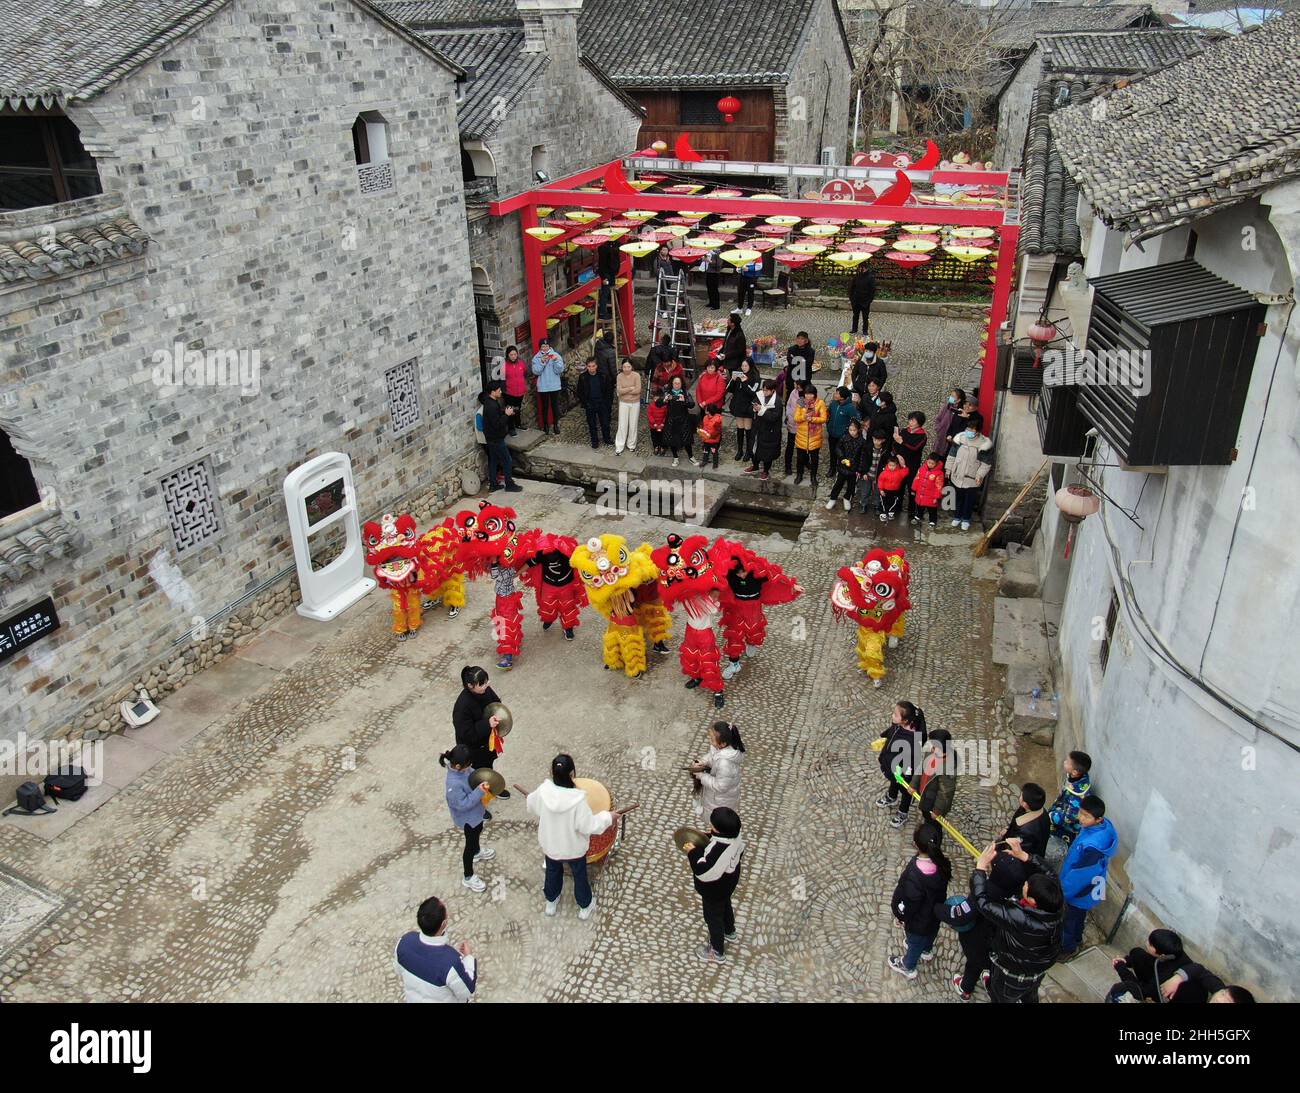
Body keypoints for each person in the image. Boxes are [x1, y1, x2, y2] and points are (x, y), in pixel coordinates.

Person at [516, 754, 615, 920]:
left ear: (552, 772)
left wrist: (531, 799)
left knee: (553, 871)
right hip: (573, 848)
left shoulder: (543, 791)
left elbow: (533, 804)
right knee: (579, 875)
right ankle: (584, 905)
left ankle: (551, 901)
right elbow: (589, 826)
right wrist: (608, 817)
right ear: (572, 774)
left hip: (551, 845)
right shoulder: (578, 801)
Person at [971, 846, 1064, 1003]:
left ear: (1033, 901)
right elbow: (1051, 874)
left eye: (1027, 886)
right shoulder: (1056, 903)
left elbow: (983, 904)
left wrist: (980, 869)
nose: (1025, 884)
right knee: (1030, 994)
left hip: (1013, 974)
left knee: (1002, 996)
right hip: (1038, 968)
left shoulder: (1021, 918)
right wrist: (1025, 856)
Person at [889, 820, 952, 979]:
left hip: (918, 922)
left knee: (914, 943)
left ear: (916, 845)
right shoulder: (942, 864)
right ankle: (927, 950)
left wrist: (901, 916)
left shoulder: (915, 877)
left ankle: (908, 966)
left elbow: (909, 903)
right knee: (930, 934)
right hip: (934, 915)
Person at [1058, 794, 1119, 955]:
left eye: (1086, 816)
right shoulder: (1104, 828)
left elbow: (1081, 876)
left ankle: (1067, 949)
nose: (1081, 818)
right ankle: (1077, 939)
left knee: (1069, 920)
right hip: (1090, 888)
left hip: (1080, 890)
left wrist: (1063, 893)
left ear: (1098, 819)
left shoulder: (1093, 846)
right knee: (1078, 917)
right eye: (1081, 812)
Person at [685, 806, 746, 964]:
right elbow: (719, 841)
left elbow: (704, 871)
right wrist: (707, 836)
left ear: (720, 831)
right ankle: (729, 930)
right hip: (727, 884)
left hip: (714, 890)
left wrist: (693, 852)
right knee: (725, 906)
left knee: (713, 917)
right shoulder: (736, 837)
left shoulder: (720, 849)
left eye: (713, 827)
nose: (710, 828)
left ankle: (717, 951)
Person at [394, 896, 477, 1003]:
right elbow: (466, 990)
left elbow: (398, 970)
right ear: (444, 924)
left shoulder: (403, 942)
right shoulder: (451, 961)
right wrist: (468, 957)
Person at [440, 744, 494, 893]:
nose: (470, 767)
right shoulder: (453, 785)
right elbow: (462, 805)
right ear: (457, 766)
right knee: (469, 845)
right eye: (468, 765)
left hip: (476, 813)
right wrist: (479, 792)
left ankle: (477, 851)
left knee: (479, 829)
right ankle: (468, 876)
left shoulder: (463, 768)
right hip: (468, 818)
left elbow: (472, 773)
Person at [452, 665, 509, 798]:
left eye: (486, 682)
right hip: (473, 749)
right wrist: (486, 724)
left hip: (487, 741)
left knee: (488, 767)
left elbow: (496, 703)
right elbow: (466, 733)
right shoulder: (462, 707)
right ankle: (477, 802)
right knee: (476, 775)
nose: (486, 686)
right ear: (470, 685)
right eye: (481, 684)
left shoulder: (485, 689)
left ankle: (491, 787)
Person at [1107, 929, 1198, 1003]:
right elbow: (1146, 959)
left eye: (1150, 944)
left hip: (1175, 997)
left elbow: (1142, 992)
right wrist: (1126, 961)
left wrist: (1120, 968)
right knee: (1137, 954)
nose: (1146, 942)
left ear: (1160, 954)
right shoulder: (1174, 952)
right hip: (1179, 986)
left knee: (1121, 989)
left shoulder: (1164, 976)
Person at [876, 701, 927, 822]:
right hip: (894, 766)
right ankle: (891, 796)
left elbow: (913, 760)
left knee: (906, 792)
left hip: (904, 771)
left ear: (905, 721)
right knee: (894, 781)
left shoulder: (912, 740)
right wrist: (884, 736)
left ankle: (903, 812)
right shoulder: (898, 725)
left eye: (895, 714)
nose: (892, 716)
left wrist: (907, 776)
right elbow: (892, 732)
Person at [945, 411, 992, 531]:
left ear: (978, 431)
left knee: (969, 500)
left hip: (972, 477)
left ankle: (966, 519)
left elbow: (985, 463)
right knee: (958, 497)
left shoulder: (984, 444)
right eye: (968, 428)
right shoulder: (959, 439)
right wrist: (948, 469)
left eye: (972, 429)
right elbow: (952, 455)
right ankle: (957, 516)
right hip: (957, 474)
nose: (969, 431)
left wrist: (979, 475)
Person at [689, 720, 745, 819]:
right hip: (716, 798)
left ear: (723, 743)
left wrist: (702, 776)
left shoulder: (725, 764)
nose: (710, 742)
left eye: (712, 739)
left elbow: (720, 786)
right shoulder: (723, 749)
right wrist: (703, 762)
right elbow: (713, 756)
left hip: (720, 802)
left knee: (717, 823)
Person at [479, 382, 522, 493]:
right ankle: (509, 484)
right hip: (496, 438)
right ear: (493, 392)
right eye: (499, 390)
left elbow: (496, 416)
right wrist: (506, 415)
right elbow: (497, 424)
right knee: (507, 460)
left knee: (493, 460)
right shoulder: (491, 405)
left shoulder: (489, 402)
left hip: (490, 438)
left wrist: (505, 412)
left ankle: (493, 484)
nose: (501, 392)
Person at [913, 728, 956, 826]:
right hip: (925, 795)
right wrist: (913, 784)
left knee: (934, 824)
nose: (931, 748)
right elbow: (921, 767)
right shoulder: (931, 753)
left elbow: (945, 792)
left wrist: (937, 810)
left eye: (933, 746)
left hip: (933, 803)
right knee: (926, 815)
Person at [1049, 751, 1093, 845]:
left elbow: (1068, 818)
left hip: (1068, 826)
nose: (1064, 762)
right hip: (1063, 808)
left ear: (1075, 772)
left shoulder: (1077, 798)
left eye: (1067, 762)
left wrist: (1052, 816)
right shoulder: (1078, 777)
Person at [793, 383, 827, 492]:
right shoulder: (801, 402)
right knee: (800, 458)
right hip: (802, 436)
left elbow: (824, 418)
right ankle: (799, 475)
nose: (808, 396)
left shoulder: (820, 403)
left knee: (815, 459)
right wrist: (804, 417)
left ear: (814, 394)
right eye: (807, 394)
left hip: (814, 436)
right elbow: (796, 418)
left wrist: (813, 419)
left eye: (811, 394)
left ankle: (813, 477)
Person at [726, 357, 762, 462]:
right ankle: (740, 450)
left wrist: (745, 381)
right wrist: (732, 379)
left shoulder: (755, 377)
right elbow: (729, 389)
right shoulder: (738, 375)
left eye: (746, 366)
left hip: (748, 406)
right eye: (742, 366)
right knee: (740, 428)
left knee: (748, 429)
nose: (743, 368)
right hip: (738, 405)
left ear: (750, 366)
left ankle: (748, 451)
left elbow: (753, 393)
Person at [826, 416, 865, 511]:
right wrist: (842, 457)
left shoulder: (862, 442)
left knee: (851, 486)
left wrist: (859, 469)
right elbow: (838, 448)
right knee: (838, 483)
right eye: (850, 430)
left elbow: (862, 456)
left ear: (858, 430)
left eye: (854, 430)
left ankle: (847, 498)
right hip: (842, 466)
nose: (852, 432)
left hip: (854, 468)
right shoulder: (844, 437)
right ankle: (833, 498)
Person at [1002, 782, 1050, 857]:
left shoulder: (1026, 831)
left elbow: (1020, 849)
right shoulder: (1041, 811)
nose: (1020, 795)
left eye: (1021, 795)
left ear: (1025, 804)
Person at [894, 412, 927, 520]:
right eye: (910, 420)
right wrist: (898, 455)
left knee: (912, 488)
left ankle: (912, 510)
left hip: (912, 465)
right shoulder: (904, 431)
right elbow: (895, 446)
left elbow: (915, 448)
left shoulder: (922, 436)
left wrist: (902, 442)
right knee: (899, 486)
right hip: (900, 462)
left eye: (913, 420)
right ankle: (896, 507)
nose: (910, 422)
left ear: (919, 423)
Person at [749, 379, 782, 481]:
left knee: (767, 452)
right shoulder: (760, 396)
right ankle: (755, 465)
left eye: (767, 391)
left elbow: (774, 417)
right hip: (758, 428)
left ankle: (766, 471)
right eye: (763, 390)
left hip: (770, 431)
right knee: (754, 448)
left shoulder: (777, 402)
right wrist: (754, 408)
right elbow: (752, 405)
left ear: (773, 390)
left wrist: (762, 410)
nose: (764, 392)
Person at [530, 338, 565, 435]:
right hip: (543, 386)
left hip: (554, 385)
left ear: (549, 346)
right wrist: (542, 362)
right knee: (545, 407)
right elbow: (536, 371)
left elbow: (560, 370)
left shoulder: (556, 355)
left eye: (546, 346)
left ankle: (555, 425)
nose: (545, 348)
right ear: (540, 347)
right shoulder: (536, 358)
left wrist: (555, 361)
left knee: (555, 406)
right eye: (542, 346)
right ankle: (545, 425)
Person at [575, 358, 611, 449]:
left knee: (605, 422)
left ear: (596, 366)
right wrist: (585, 402)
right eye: (589, 366)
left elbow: (608, 390)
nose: (591, 368)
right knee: (592, 424)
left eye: (593, 366)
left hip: (601, 402)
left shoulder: (603, 376)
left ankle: (607, 438)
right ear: (587, 367)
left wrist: (606, 402)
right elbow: (580, 391)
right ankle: (594, 441)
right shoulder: (583, 377)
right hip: (590, 403)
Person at [857, 427, 892, 516]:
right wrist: (864, 472)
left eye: (879, 440)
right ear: (872, 438)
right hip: (868, 474)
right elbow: (863, 461)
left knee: (877, 491)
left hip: (879, 476)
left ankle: (877, 506)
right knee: (865, 490)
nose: (876, 441)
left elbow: (886, 464)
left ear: (883, 440)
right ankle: (863, 505)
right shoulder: (868, 448)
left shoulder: (885, 451)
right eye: (875, 439)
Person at [826, 385, 862, 469]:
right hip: (831, 433)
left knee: (842, 453)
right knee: (832, 452)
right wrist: (828, 426)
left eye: (837, 393)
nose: (835, 394)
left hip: (842, 436)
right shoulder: (833, 403)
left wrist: (847, 431)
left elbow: (855, 420)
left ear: (842, 397)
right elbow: (828, 415)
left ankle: (841, 469)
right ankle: (832, 468)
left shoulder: (850, 408)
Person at [664, 375, 696, 467]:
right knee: (672, 439)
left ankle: (691, 456)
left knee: (687, 439)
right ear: (672, 384)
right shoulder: (668, 393)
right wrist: (665, 400)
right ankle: (675, 458)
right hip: (671, 419)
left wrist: (684, 401)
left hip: (683, 419)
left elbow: (692, 405)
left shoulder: (685, 393)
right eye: (675, 383)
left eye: (679, 383)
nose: (677, 385)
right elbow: (659, 403)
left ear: (682, 384)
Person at [911, 451, 946, 530]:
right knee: (919, 506)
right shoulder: (921, 468)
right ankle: (918, 516)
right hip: (920, 493)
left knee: (932, 509)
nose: (930, 464)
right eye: (929, 462)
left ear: (936, 463)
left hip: (931, 495)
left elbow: (939, 486)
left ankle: (932, 520)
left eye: (932, 463)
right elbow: (917, 479)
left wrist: (936, 497)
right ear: (926, 461)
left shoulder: (939, 473)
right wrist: (914, 489)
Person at [614, 359, 641, 454]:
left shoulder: (636, 376)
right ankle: (619, 445)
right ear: (622, 367)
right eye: (624, 367)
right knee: (622, 424)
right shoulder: (619, 376)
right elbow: (619, 391)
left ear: (632, 367)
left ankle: (631, 444)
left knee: (633, 424)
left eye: (628, 367)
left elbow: (638, 390)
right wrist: (630, 388)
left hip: (635, 403)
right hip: (623, 403)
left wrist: (625, 391)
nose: (626, 369)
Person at [595, 329, 618, 438]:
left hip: (599, 377)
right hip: (607, 379)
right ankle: (606, 418)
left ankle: (600, 417)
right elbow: (613, 369)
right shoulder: (610, 352)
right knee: (608, 400)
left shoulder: (598, 346)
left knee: (601, 398)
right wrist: (616, 380)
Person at [693, 358, 727, 429]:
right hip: (703, 405)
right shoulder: (703, 376)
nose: (710, 369)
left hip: (714, 407)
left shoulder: (720, 379)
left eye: (712, 367)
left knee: (715, 426)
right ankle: (705, 437)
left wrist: (705, 402)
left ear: (716, 368)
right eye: (708, 367)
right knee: (705, 423)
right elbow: (698, 389)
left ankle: (715, 439)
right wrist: (700, 402)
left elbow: (719, 394)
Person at [501, 345, 527, 436]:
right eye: (511, 355)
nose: (513, 356)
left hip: (520, 392)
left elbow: (525, 373)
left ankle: (518, 424)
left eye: (515, 354)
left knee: (518, 409)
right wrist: (505, 392)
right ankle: (511, 428)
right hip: (509, 393)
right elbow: (502, 380)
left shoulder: (521, 363)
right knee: (510, 411)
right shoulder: (504, 366)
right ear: (508, 355)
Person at [877, 452, 909, 523]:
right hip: (885, 490)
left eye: (893, 465)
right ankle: (883, 513)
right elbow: (880, 481)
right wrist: (881, 490)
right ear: (887, 465)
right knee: (883, 502)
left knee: (893, 502)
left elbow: (906, 471)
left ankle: (891, 513)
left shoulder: (900, 472)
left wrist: (903, 465)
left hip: (895, 491)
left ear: (897, 465)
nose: (891, 467)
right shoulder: (884, 473)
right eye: (890, 465)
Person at [782, 378, 805, 477]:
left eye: (796, 384)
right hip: (792, 424)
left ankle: (804, 463)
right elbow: (788, 404)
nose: (795, 385)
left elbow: (804, 409)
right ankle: (788, 466)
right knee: (790, 446)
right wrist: (788, 414)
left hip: (801, 426)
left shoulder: (805, 395)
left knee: (802, 447)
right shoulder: (793, 392)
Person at [933, 387, 964, 459]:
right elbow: (938, 418)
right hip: (941, 435)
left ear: (958, 400)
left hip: (950, 438)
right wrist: (938, 428)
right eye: (951, 396)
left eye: (953, 396)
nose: (951, 398)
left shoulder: (960, 411)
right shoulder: (947, 406)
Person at [849, 265, 876, 334]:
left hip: (865, 301)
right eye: (860, 268)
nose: (861, 269)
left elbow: (872, 290)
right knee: (855, 316)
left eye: (863, 268)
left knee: (865, 317)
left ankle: (865, 330)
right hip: (856, 300)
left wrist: (869, 300)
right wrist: (851, 298)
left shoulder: (870, 277)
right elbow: (851, 288)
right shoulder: (857, 276)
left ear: (866, 268)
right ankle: (854, 329)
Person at [647, 386, 668, 456]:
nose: (656, 400)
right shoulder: (651, 405)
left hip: (661, 424)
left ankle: (662, 447)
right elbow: (649, 415)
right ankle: (656, 447)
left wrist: (663, 423)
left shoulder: (664, 406)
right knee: (654, 437)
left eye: (657, 398)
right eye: (655, 398)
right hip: (653, 425)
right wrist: (653, 423)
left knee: (662, 436)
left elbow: (666, 415)